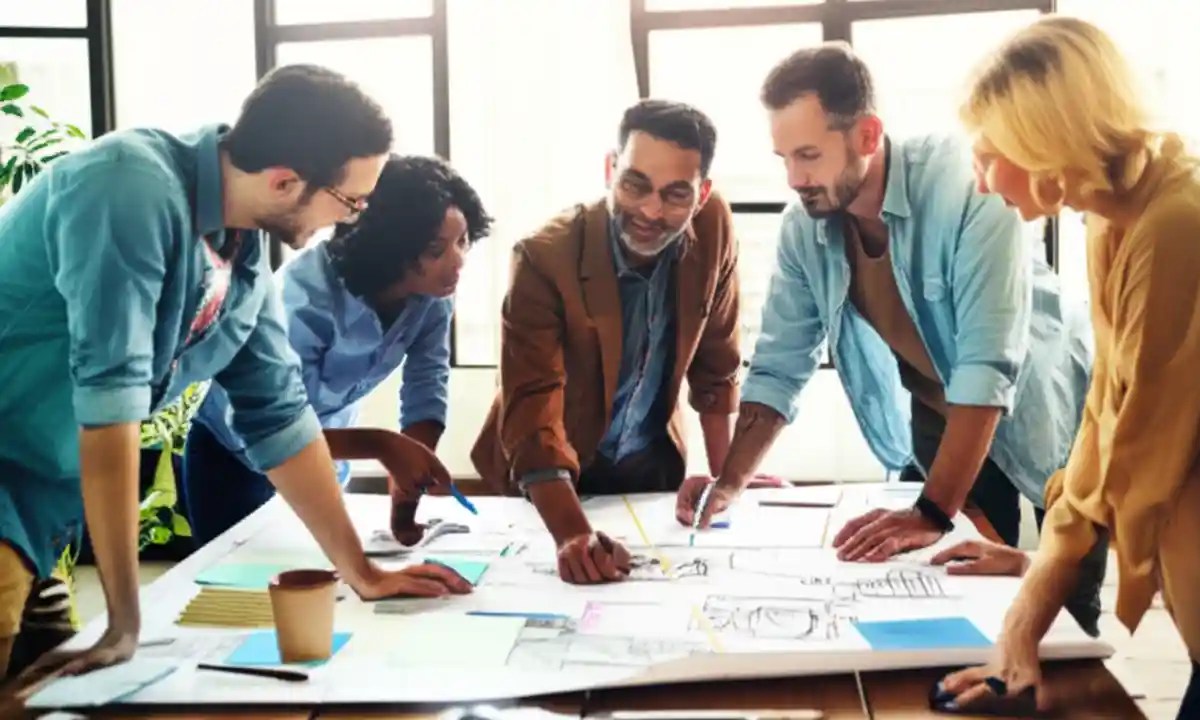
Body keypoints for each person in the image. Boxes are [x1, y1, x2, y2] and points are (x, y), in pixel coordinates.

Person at [0, 65, 471, 681]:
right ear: (284, 181)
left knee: (60, 695)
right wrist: (124, 620)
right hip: (9, 477)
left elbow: (281, 418)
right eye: (350, 202)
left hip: (40, 510)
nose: (352, 220)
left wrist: (365, 574)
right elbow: (110, 403)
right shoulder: (128, 189)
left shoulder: (241, 259)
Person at [674, 41, 1104, 635]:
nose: (794, 179)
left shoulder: (968, 185)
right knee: (960, 594)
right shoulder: (805, 228)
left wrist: (931, 511)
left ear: (868, 135)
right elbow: (778, 366)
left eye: (809, 155)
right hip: (940, 411)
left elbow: (987, 365)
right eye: (784, 158)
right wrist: (728, 485)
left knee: (1067, 604)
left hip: (1043, 404)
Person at [938, 17, 1200, 716]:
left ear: (1046, 139)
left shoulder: (1185, 224)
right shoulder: (1116, 220)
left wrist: (1024, 622)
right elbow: (1103, 409)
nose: (980, 182)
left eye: (988, 154)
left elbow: (1136, 446)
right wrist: (1038, 571)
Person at [471, 99, 741, 585]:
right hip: (550, 479)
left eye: (675, 194)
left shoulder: (713, 224)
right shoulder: (544, 257)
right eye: (635, 184)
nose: (651, 211)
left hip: (648, 468)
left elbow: (716, 361)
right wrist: (571, 534)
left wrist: (726, 480)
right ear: (610, 169)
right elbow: (533, 410)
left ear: (701, 194)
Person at [183, 154, 492, 549]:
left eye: (462, 242)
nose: (457, 263)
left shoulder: (432, 297)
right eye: (436, 250)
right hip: (235, 458)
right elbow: (270, 422)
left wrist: (407, 490)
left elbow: (426, 386)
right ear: (394, 247)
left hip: (324, 452)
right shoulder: (304, 299)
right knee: (240, 580)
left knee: (325, 569)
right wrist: (383, 445)